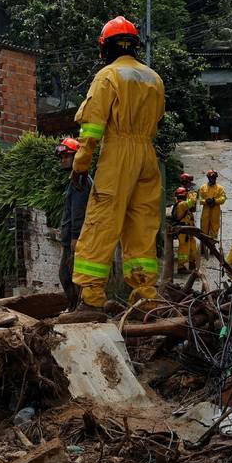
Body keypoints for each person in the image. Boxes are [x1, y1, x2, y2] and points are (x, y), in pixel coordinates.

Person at [70, 16, 166, 308]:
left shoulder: (108, 76)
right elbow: (158, 122)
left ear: (106, 47)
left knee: (102, 222)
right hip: (147, 156)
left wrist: (80, 165)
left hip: (118, 154)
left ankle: (90, 298)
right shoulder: (154, 78)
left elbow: (92, 128)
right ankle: (145, 297)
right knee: (142, 226)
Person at [55, 137, 90, 307]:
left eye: (66, 156)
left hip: (76, 239)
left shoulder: (79, 181)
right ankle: (74, 307)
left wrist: (75, 237)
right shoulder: (78, 179)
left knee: (68, 275)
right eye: (61, 157)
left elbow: (78, 212)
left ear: (76, 156)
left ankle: (75, 308)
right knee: (69, 275)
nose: (63, 160)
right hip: (72, 237)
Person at [171, 186, 199, 273]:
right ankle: (181, 267)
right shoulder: (182, 204)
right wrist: (193, 193)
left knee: (192, 247)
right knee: (184, 248)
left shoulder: (180, 204)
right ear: (185, 195)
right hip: (184, 231)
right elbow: (192, 202)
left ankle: (192, 263)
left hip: (188, 230)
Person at [197, 169, 227, 242]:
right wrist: (206, 201)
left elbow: (223, 198)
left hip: (215, 211)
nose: (213, 179)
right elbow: (199, 199)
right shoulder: (203, 187)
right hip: (205, 211)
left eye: (214, 178)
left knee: (214, 228)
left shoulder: (220, 188)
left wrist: (215, 201)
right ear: (208, 178)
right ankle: (203, 246)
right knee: (204, 228)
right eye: (211, 178)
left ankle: (212, 245)